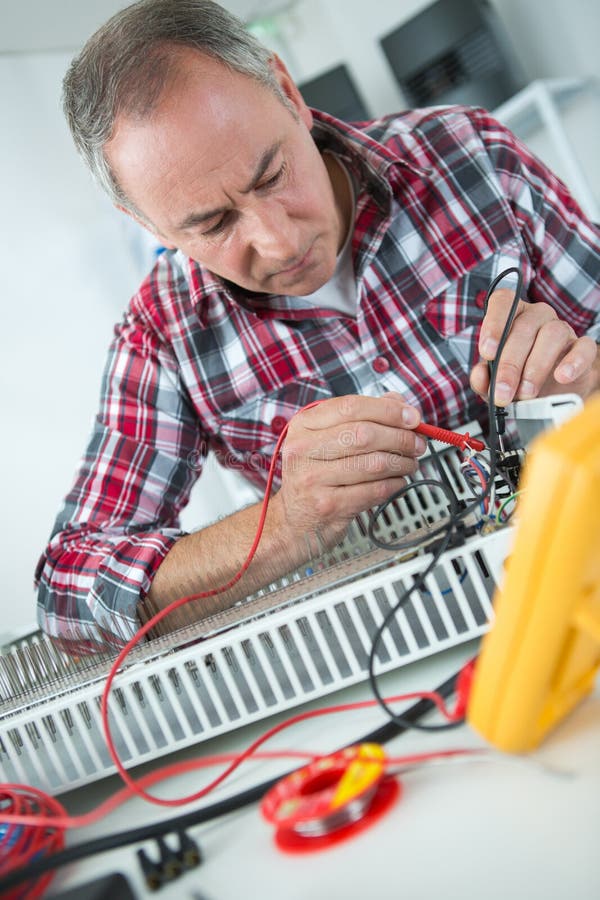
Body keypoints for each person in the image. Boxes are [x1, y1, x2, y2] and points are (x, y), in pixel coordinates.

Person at [36, 0, 600, 649]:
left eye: (273, 174)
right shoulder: (164, 330)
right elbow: (67, 596)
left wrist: (587, 380)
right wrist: (286, 522)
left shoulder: (471, 156)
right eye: (212, 225)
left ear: (287, 91)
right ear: (145, 224)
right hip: (400, 649)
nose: (277, 243)